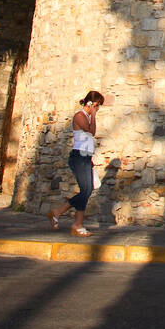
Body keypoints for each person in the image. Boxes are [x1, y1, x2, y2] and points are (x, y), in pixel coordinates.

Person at [47, 91, 104, 235]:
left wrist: (90, 160)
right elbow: (91, 132)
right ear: (90, 103)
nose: (98, 109)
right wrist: (93, 115)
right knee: (85, 191)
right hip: (78, 157)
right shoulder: (80, 116)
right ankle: (76, 224)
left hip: (85, 157)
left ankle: (60, 213)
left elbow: (88, 139)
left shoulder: (87, 117)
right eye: (97, 105)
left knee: (88, 190)